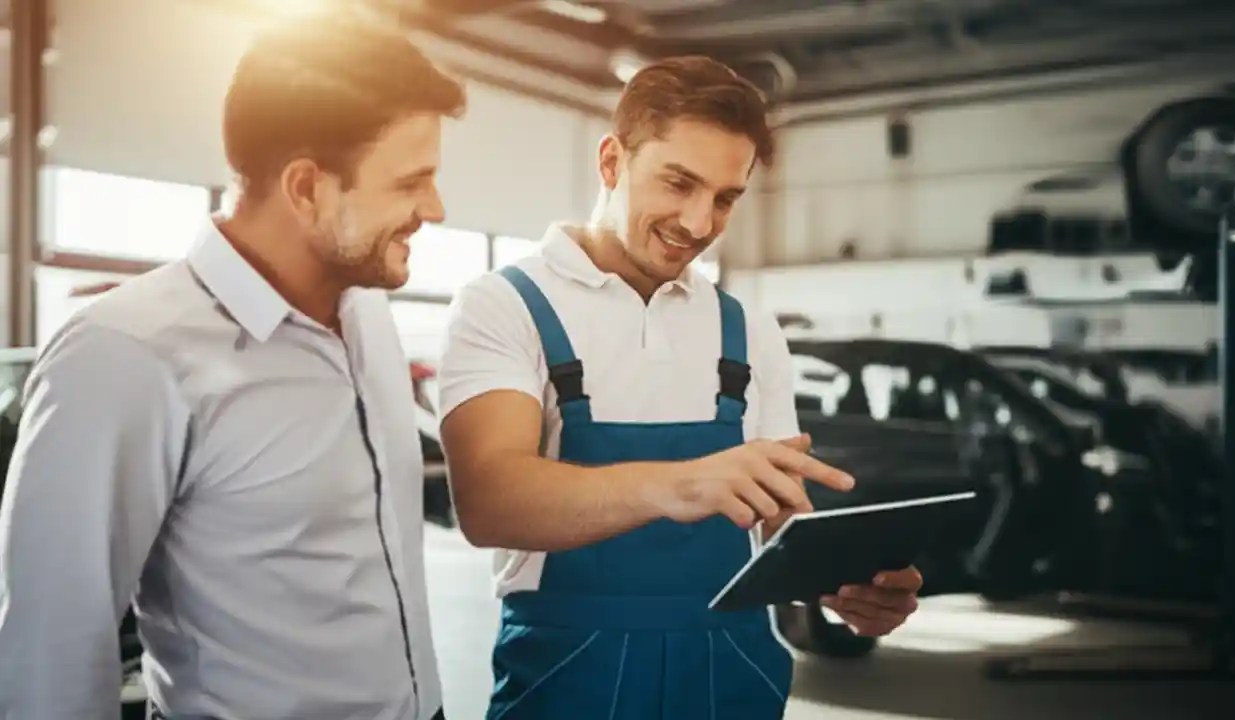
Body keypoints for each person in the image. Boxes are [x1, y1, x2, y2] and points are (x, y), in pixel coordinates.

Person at [0, 9, 462, 720]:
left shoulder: (365, 311)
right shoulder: (125, 356)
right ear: (306, 188)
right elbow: (49, 659)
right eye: (410, 182)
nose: (435, 207)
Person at [438, 56, 923, 719]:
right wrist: (681, 484)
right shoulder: (503, 305)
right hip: (572, 675)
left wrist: (842, 582)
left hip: (732, 674)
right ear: (612, 161)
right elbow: (490, 502)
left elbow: (778, 516)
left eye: (725, 198)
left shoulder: (747, 330)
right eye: (678, 183)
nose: (698, 224)